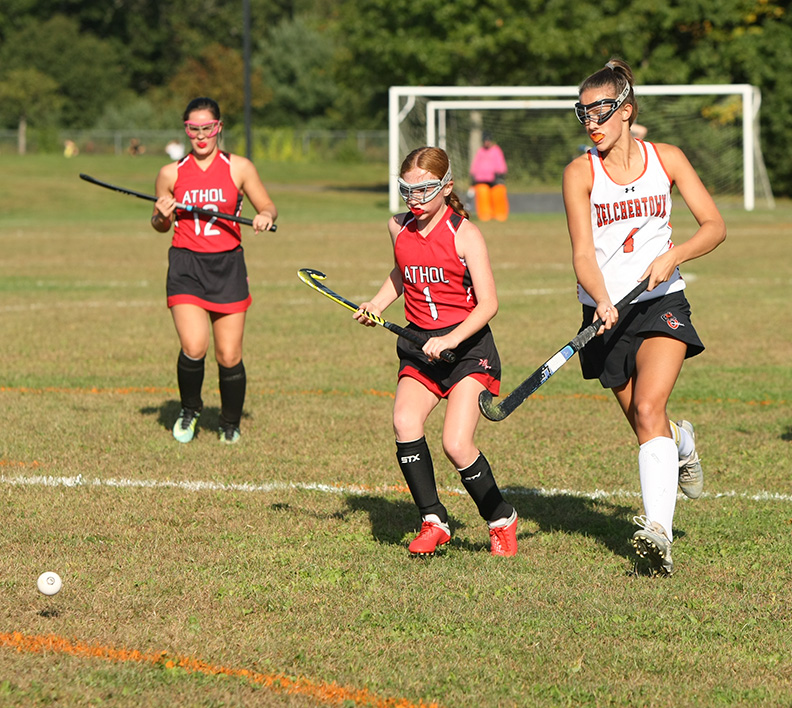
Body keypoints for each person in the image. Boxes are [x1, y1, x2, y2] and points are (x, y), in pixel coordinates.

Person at [562, 58, 726, 575]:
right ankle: (680, 441)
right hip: (605, 313)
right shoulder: (578, 173)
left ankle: (658, 533)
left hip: (661, 302)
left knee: (650, 405)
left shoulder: (668, 159)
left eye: (601, 110)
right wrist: (601, 297)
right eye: (582, 112)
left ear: (626, 111)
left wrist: (673, 256)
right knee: (644, 422)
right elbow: (583, 254)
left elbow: (714, 226)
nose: (591, 121)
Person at [354, 146, 518, 557]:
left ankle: (501, 519)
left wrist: (449, 339)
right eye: (406, 189)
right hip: (418, 344)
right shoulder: (397, 227)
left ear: (446, 187)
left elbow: (489, 304)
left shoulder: (465, 233)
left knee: (456, 445)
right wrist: (377, 303)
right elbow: (402, 271)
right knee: (405, 422)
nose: (415, 199)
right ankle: (434, 520)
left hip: (466, 349)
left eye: (425, 190)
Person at [151, 97, 277, 444]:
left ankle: (229, 421)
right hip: (186, 265)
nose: (201, 135)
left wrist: (265, 215)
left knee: (229, 354)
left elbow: (266, 204)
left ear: (219, 127)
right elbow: (159, 225)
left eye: (208, 127)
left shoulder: (239, 167)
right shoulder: (170, 173)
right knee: (194, 345)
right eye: (194, 129)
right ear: (186, 129)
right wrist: (162, 214)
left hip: (227, 266)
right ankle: (190, 410)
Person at [469, 132, 509, 222]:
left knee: (498, 194)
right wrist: (473, 176)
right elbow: (475, 164)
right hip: (481, 180)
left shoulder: (496, 150)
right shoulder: (480, 151)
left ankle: (500, 215)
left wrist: (500, 175)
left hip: (495, 179)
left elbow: (501, 164)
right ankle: (485, 216)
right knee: (483, 194)